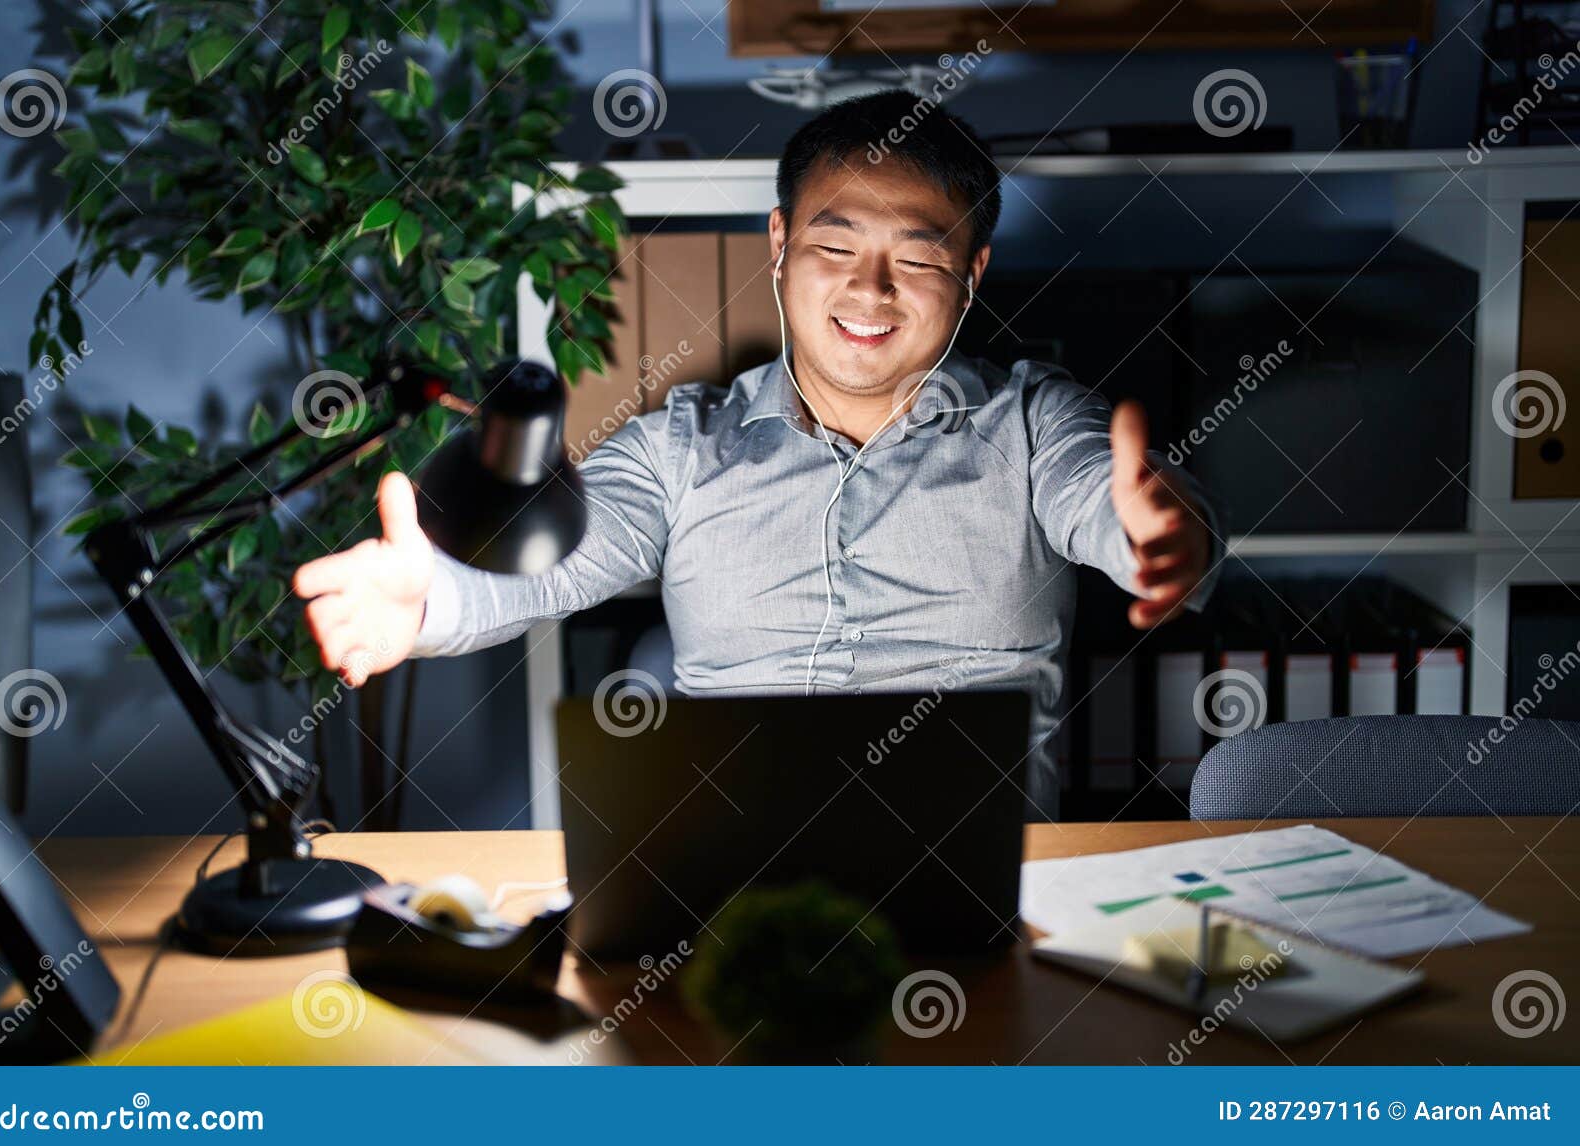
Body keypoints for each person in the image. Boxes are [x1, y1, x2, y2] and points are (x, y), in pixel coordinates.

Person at [293, 90, 1221, 817]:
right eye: (835, 242)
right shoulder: (679, 450)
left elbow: (1112, 498)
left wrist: (1158, 536)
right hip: (734, 896)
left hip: (982, 891)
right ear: (779, 246)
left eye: (919, 255)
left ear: (972, 275)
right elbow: (561, 561)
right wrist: (431, 600)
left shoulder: (1031, 422)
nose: (872, 288)